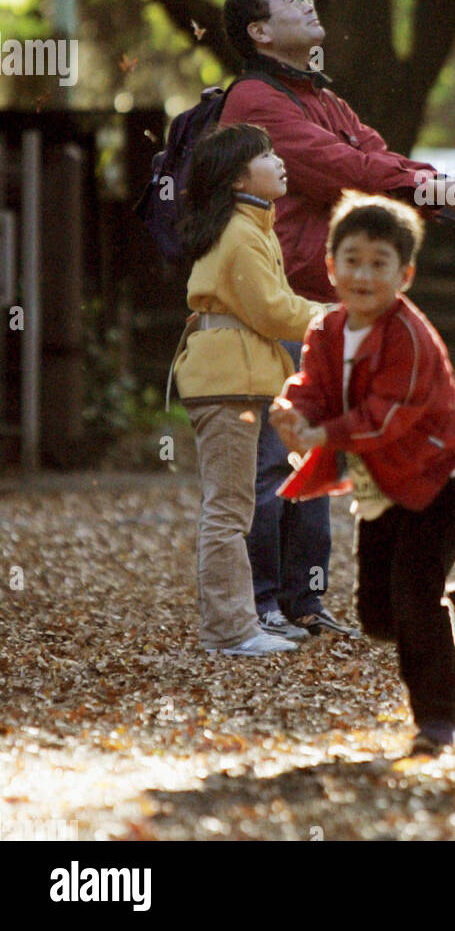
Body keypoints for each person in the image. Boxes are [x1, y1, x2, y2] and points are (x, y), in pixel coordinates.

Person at [220, 0, 455, 643]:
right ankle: (260, 608)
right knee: (269, 461)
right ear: (259, 32)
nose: (307, 1)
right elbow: (339, 169)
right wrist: (439, 189)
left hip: (321, 306)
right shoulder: (256, 99)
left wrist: (430, 182)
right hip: (273, 301)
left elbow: (370, 154)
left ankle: (305, 603)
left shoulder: (318, 95)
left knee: (322, 452)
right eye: (290, 0)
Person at [270, 192, 455, 757]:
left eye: (379, 263)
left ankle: (440, 719)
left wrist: (325, 434)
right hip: (384, 483)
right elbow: (312, 386)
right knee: (380, 616)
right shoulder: (327, 330)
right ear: (330, 266)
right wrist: (295, 412)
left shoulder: (409, 337)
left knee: (414, 602)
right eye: (352, 259)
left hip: (442, 477)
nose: (362, 274)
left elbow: (390, 414)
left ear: (405, 274)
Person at [170, 123, 326, 656]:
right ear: (240, 174)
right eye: (266, 155)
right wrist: (337, 317)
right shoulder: (240, 233)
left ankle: (238, 624)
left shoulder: (249, 227)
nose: (280, 161)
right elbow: (275, 311)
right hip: (226, 385)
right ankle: (229, 630)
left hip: (238, 381)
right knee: (229, 509)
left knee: (233, 506)